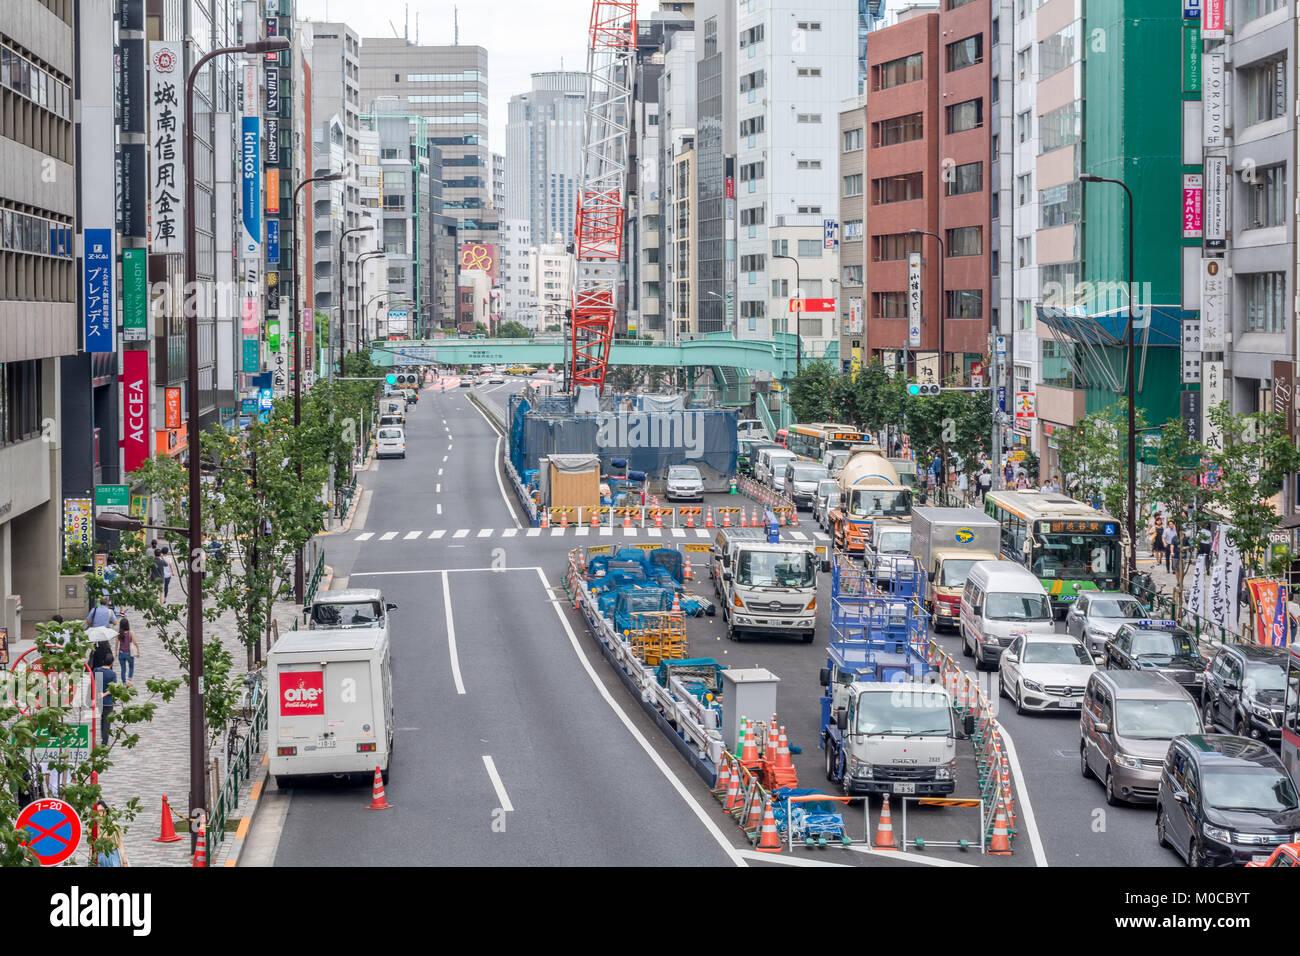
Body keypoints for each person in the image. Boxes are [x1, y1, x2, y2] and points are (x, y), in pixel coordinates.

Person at [94, 663, 118, 746]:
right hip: (108, 701)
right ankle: (105, 741)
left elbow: (94, 684)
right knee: (106, 721)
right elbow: (113, 688)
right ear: (111, 663)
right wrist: (104, 694)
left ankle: (103, 737)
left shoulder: (98, 670)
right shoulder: (112, 674)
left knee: (102, 719)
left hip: (98, 701)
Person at [116, 617, 139, 684]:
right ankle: (129, 680)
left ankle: (124, 683)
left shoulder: (118, 634)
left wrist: (116, 653)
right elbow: (135, 642)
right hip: (129, 653)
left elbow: (116, 644)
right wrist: (138, 649)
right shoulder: (131, 633)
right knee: (131, 667)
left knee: (123, 670)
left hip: (121, 653)